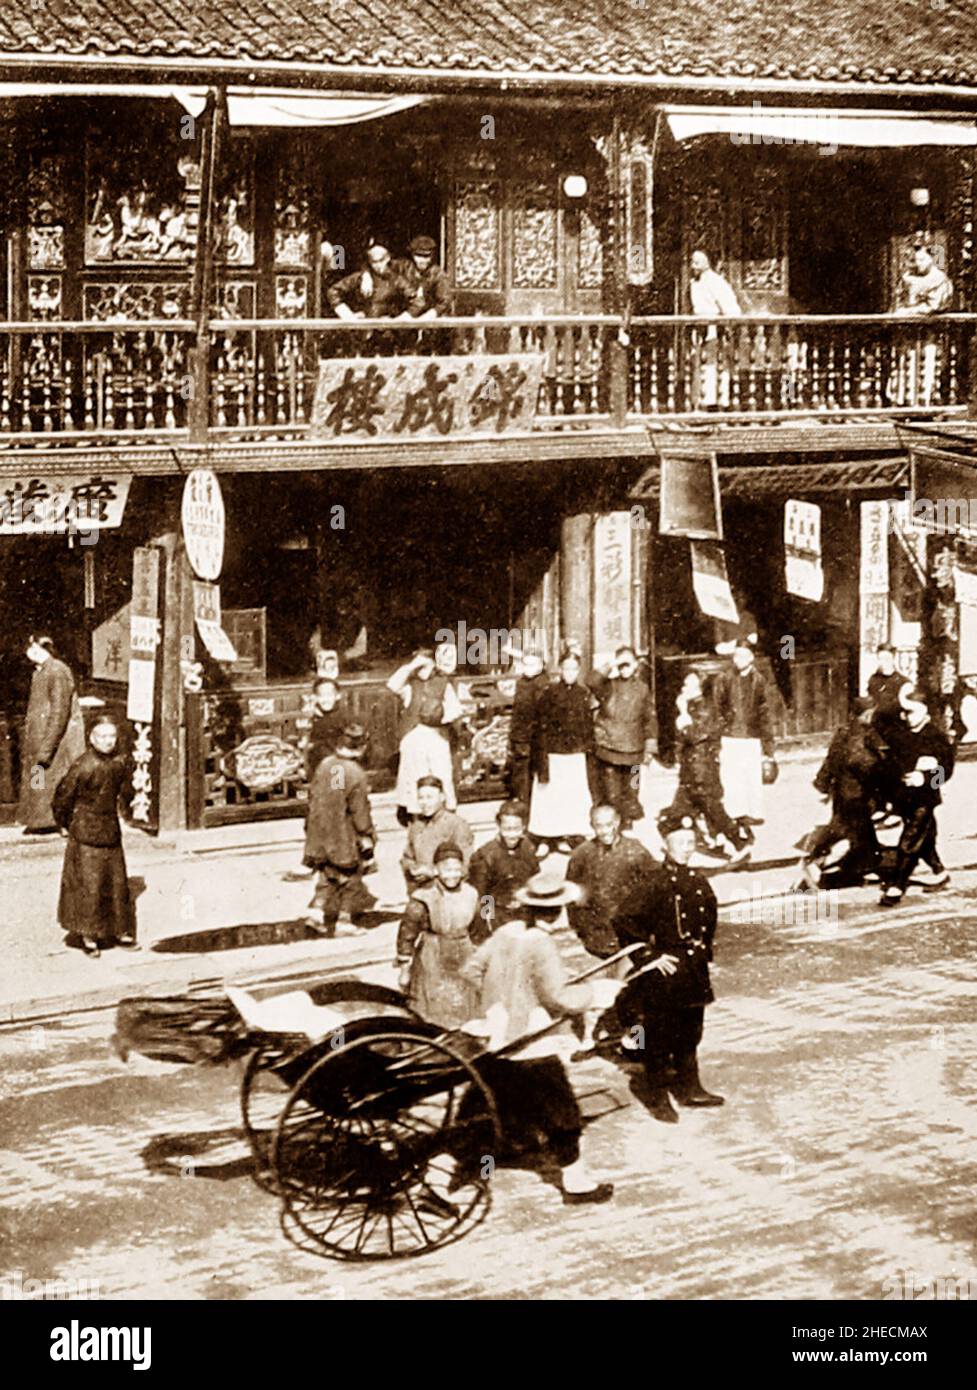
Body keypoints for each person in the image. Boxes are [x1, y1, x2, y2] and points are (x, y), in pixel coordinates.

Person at [458, 870, 615, 1204]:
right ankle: (575, 1184)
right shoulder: (542, 944)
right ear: (558, 911)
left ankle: (444, 1177)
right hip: (531, 1043)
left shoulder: (506, 932)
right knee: (564, 1114)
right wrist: (595, 993)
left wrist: (497, 1004)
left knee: (479, 1111)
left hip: (496, 1038)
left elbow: (470, 970)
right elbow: (558, 996)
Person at [613, 806, 723, 1124]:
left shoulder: (698, 879)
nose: (687, 847)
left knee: (691, 1032)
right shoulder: (656, 882)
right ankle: (656, 1094)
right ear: (666, 845)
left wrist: (705, 955)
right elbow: (624, 918)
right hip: (668, 972)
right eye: (680, 841)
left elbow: (709, 918)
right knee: (660, 1035)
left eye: (691, 841)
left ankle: (690, 1088)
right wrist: (649, 957)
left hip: (694, 970)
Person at [52, 716, 135, 958]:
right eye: (102, 736)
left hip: (109, 828)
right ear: (91, 738)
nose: (108, 742)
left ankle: (119, 930)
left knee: (117, 883)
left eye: (112, 736)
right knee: (88, 885)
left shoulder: (120, 762)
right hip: (85, 830)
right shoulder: (83, 766)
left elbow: (125, 791)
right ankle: (88, 935)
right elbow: (62, 797)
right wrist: (65, 823)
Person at [879, 686, 955, 906]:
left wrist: (926, 779)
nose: (906, 716)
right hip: (905, 797)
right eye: (904, 712)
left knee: (909, 841)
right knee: (925, 838)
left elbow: (947, 770)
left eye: (911, 712)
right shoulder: (904, 733)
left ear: (924, 711)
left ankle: (897, 886)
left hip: (925, 798)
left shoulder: (935, 736)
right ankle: (939, 873)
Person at [802, 696, 886, 888]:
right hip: (858, 794)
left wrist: (822, 783)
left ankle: (866, 866)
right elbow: (866, 764)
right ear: (867, 714)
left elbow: (830, 760)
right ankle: (816, 861)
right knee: (844, 829)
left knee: (859, 832)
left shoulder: (843, 732)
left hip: (841, 791)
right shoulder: (868, 734)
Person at [302, 722, 376, 938]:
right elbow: (359, 811)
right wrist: (367, 834)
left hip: (320, 831)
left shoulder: (326, 765)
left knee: (326, 875)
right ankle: (344, 921)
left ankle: (315, 913)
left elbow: (321, 796)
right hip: (343, 834)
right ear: (361, 748)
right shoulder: (355, 773)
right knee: (352, 878)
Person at [670, 669, 751, 862]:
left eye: (687, 685)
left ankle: (738, 841)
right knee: (698, 810)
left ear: (698, 688)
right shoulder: (692, 707)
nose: (683, 688)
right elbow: (681, 739)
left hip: (702, 770)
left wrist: (682, 714)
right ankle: (715, 840)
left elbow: (694, 736)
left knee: (711, 809)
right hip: (691, 770)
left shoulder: (705, 708)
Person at [396, 842, 480, 1027]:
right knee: (432, 1010)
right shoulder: (423, 898)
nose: (453, 875)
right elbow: (407, 935)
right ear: (435, 870)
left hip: (463, 953)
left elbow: (480, 923)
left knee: (467, 1005)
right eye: (447, 870)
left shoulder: (472, 893)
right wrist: (404, 970)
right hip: (432, 955)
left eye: (457, 870)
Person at [566, 804, 657, 964]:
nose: (605, 831)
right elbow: (572, 893)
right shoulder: (582, 854)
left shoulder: (635, 851)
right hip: (597, 935)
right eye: (599, 826)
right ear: (592, 826)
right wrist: (580, 928)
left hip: (631, 933)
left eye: (609, 825)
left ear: (618, 822)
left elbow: (653, 887)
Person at [529, 644, 595, 851]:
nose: (570, 673)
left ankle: (568, 835)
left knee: (572, 796)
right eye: (566, 668)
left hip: (575, 753)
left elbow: (587, 725)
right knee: (550, 796)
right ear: (560, 670)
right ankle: (546, 839)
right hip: (553, 753)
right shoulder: (549, 693)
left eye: (574, 669)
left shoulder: (583, 694)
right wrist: (542, 757)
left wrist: (586, 747)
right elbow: (540, 726)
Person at [19, 635, 87, 834]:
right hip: (40, 739)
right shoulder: (43, 671)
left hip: (54, 743)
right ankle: (39, 819)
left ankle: (60, 821)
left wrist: (47, 748)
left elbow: (59, 712)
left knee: (55, 782)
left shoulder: (57, 670)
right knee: (38, 780)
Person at [388, 644, 464, 821]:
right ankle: (416, 813)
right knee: (414, 774)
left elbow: (455, 709)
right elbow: (392, 685)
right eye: (419, 666)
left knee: (441, 773)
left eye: (426, 666)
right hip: (414, 736)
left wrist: (440, 717)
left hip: (436, 735)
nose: (422, 670)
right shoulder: (410, 685)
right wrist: (411, 666)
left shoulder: (443, 683)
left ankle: (447, 812)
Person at [712, 634, 776, 833]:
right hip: (730, 736)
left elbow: (765, 714)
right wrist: (718, 737)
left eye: (743, 656)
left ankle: (754, 812)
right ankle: (735, 813)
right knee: (731, 777)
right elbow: (717, 709)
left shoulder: (759, 681)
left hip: (752, 736)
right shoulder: (724, 679)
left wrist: (768, 746)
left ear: (751, 658)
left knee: (752, 775)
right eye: (736, 655)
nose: (738, 660)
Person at [587, 646, 656, 828]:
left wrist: (649, 748)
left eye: (629, 664)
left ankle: (627, 824)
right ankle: (616, 826)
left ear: (636, 666)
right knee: (612, 793)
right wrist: (613, 663)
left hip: (635, 752)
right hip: (609, 750)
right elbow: (591, 680)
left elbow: (650, 718)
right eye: (622, 665)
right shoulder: (608, 686)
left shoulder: (643, 689)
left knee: (633, 790)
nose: (625, 668)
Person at [467, 799, 541, 942]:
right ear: (499, 826)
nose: (512, 835)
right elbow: (482, 893)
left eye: (517, 829)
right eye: (507, 829)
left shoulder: (528, 848)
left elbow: (534, 880)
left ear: (524, 827)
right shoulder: (486, 855)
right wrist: (487, 921)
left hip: (525, 914)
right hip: (498, 915)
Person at [892, 239, 953, 405]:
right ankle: (905, 402)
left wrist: (914, 310)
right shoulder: (908, 278)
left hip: (930, 332)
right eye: (916, 260)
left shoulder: (939, 279)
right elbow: (900, 299)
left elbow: (936, 304)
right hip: (909, 331)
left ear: (931, 259)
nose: (919, 264)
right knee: (907, 364)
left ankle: (926, 402)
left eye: (923, 260)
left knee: (928, 365)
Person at [400, 775, 474, 895]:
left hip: (449, 892)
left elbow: (466, 864)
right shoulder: (416, 826)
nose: (424, 803)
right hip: (421, 890)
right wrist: (413, 869)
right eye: (421, 798)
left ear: (442, 797)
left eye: (429, 797)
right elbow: (407, 857)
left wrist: (433, 872)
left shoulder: (457, 824)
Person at [689, 249, 742, 408]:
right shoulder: (694, 283)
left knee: (714, 366)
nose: (693, 266)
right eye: (692, 262)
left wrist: (725, 324)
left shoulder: (716, 281)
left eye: (697, 262)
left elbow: (731, 308)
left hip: (713, 330)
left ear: (706, 263)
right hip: (699, 328)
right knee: (701, 365)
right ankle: (701, 403)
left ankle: (717, 403)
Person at [506, 648, 548, 809]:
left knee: (535, 776)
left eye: (533, 664)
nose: (528, 668)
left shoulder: (543, 684)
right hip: (520, 736)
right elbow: (518, 711)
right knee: (521, 775)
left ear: (540, 665)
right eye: (526, 664)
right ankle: (523, 806)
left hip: (537, 738)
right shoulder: (522, 683)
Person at [326, 241, 409, 321]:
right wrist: (346, 314)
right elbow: (333, 292)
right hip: (364, 328)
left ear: (388, 258)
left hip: (388, 330)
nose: (378, 265)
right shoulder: (359, 278)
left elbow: (417, 301)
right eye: (374, 262)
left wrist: (399, 319)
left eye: (381, 261)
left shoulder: (397, 279)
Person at [304, 677, 348, 781]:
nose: (325, 700)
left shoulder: (342, 717)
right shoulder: (313, 717)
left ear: (337, 696)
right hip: (319, 763)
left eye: (329, 695)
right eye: (321, 696)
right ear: (315, 698)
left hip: (338, 761)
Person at [399, 236, 451, 319]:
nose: (422, 260)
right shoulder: (403, 269)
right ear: (412, 255)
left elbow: (445, 301)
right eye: (418, 256)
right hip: (405, 318)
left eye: (426, 256)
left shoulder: (438, 274)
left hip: (431, 321)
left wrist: (433, 313)